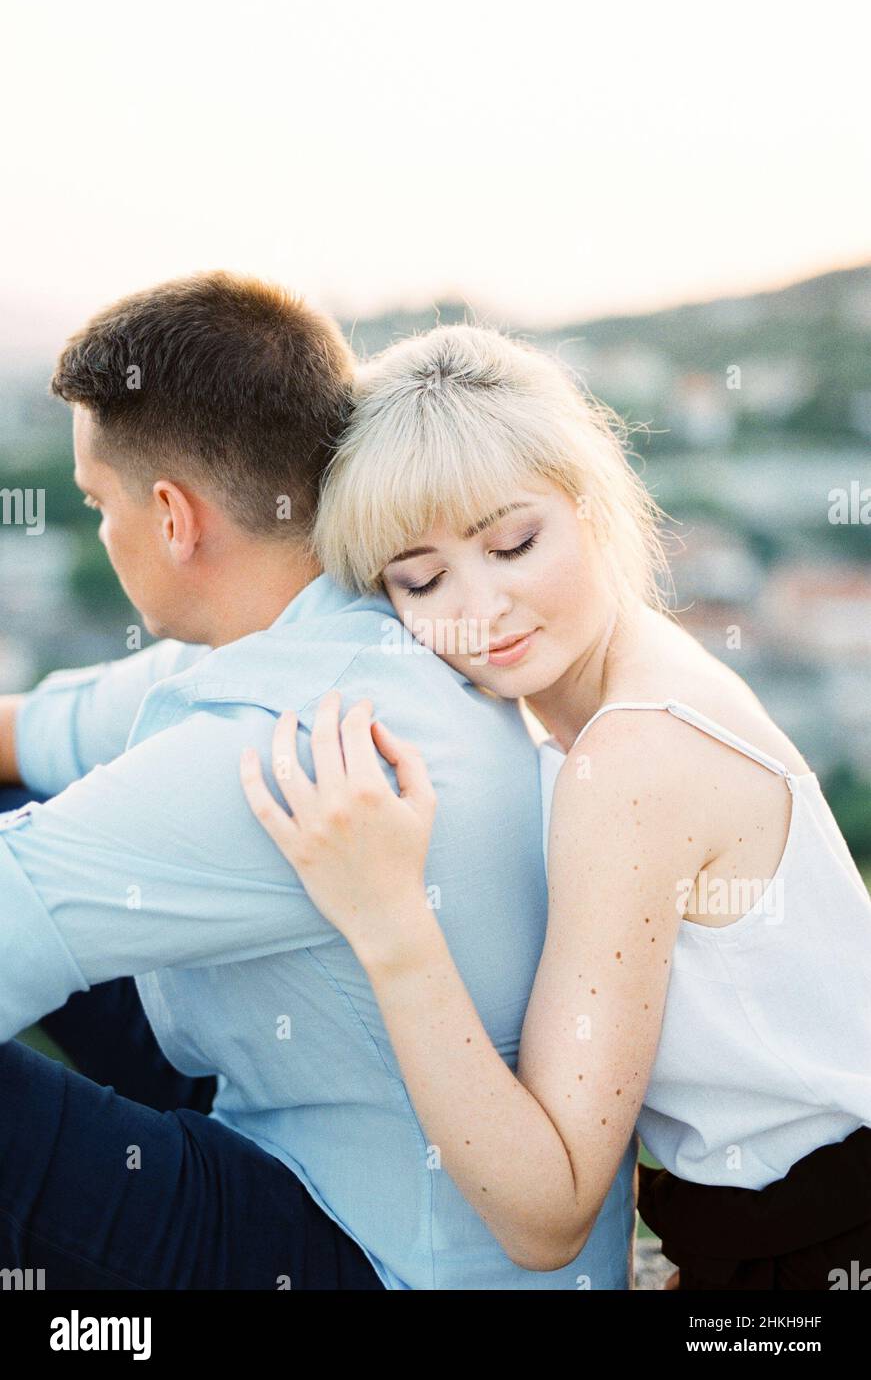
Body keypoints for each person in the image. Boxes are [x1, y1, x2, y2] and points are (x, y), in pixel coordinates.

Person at [0, 276, 636, 1289]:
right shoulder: (350, 611)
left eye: (97, 504)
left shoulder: (294, 736)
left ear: (171, 518)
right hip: (314, 1119)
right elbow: (38, 734)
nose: (100, 532)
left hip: (378, 1259)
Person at [240, 322, 871, 1291]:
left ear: (591, 508)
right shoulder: (637, 681)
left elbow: (547, 1213)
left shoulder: (630, 759)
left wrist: (387, 918)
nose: (478, 607)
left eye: (513, 542)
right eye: (421, 578)